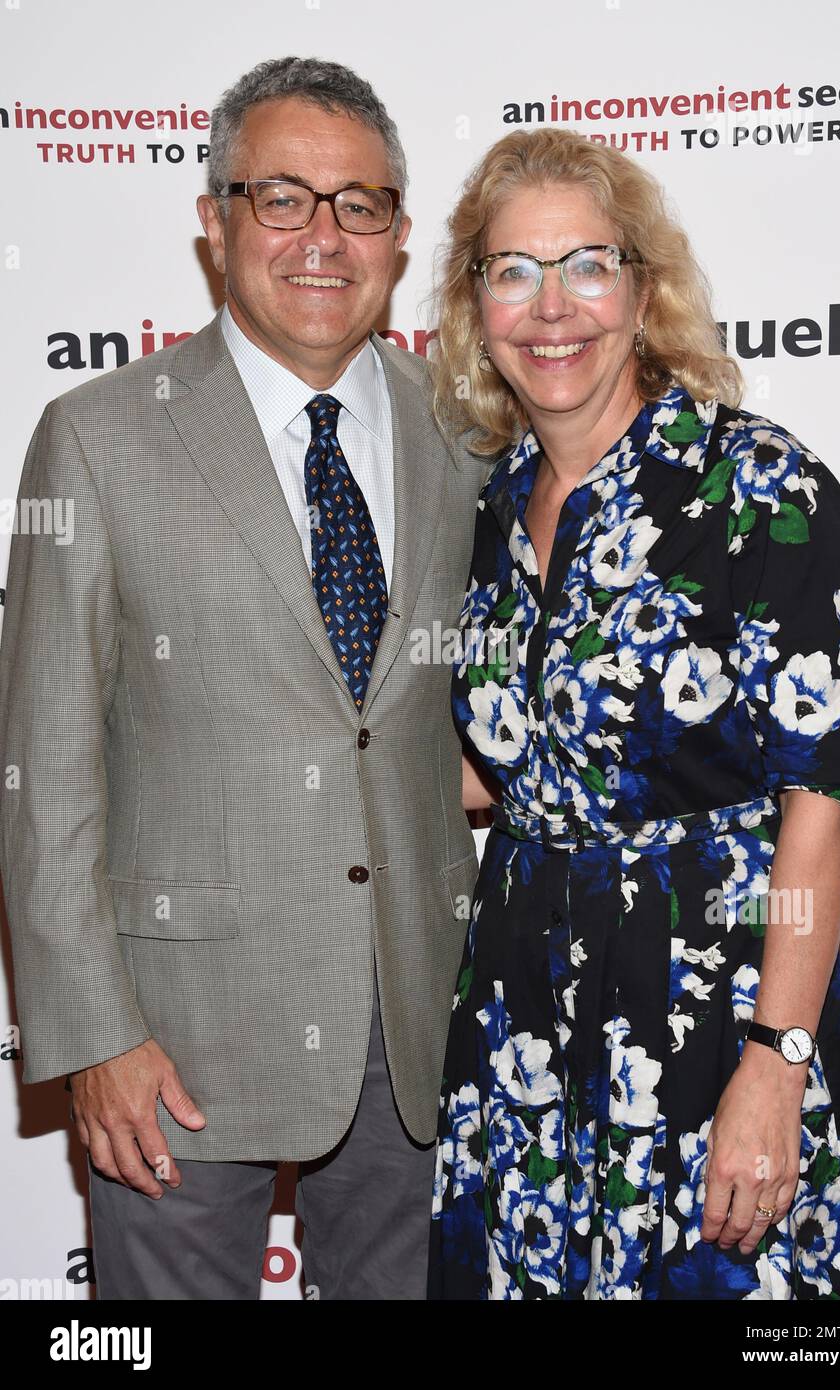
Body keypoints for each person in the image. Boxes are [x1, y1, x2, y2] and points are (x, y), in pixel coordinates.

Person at [0, 56, 490, 1300]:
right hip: (173, 1030)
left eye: (359, 203)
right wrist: (91, 1034)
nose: (323, 237)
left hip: (414, 1020)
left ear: (396, 233)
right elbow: (44, 767)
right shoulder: (98, 437)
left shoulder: (465, 432)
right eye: (281, 198)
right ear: (216, 226)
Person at [426, 127, 840, 1300]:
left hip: (714, 1016)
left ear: (643, 291)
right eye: (512, 270)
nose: (552, 307)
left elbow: (825, 806)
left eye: (587, 264)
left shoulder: (758, 486)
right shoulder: (491, 507)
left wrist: (776, 1065)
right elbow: (505, 767)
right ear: (473, 303)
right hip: (525, 1023)